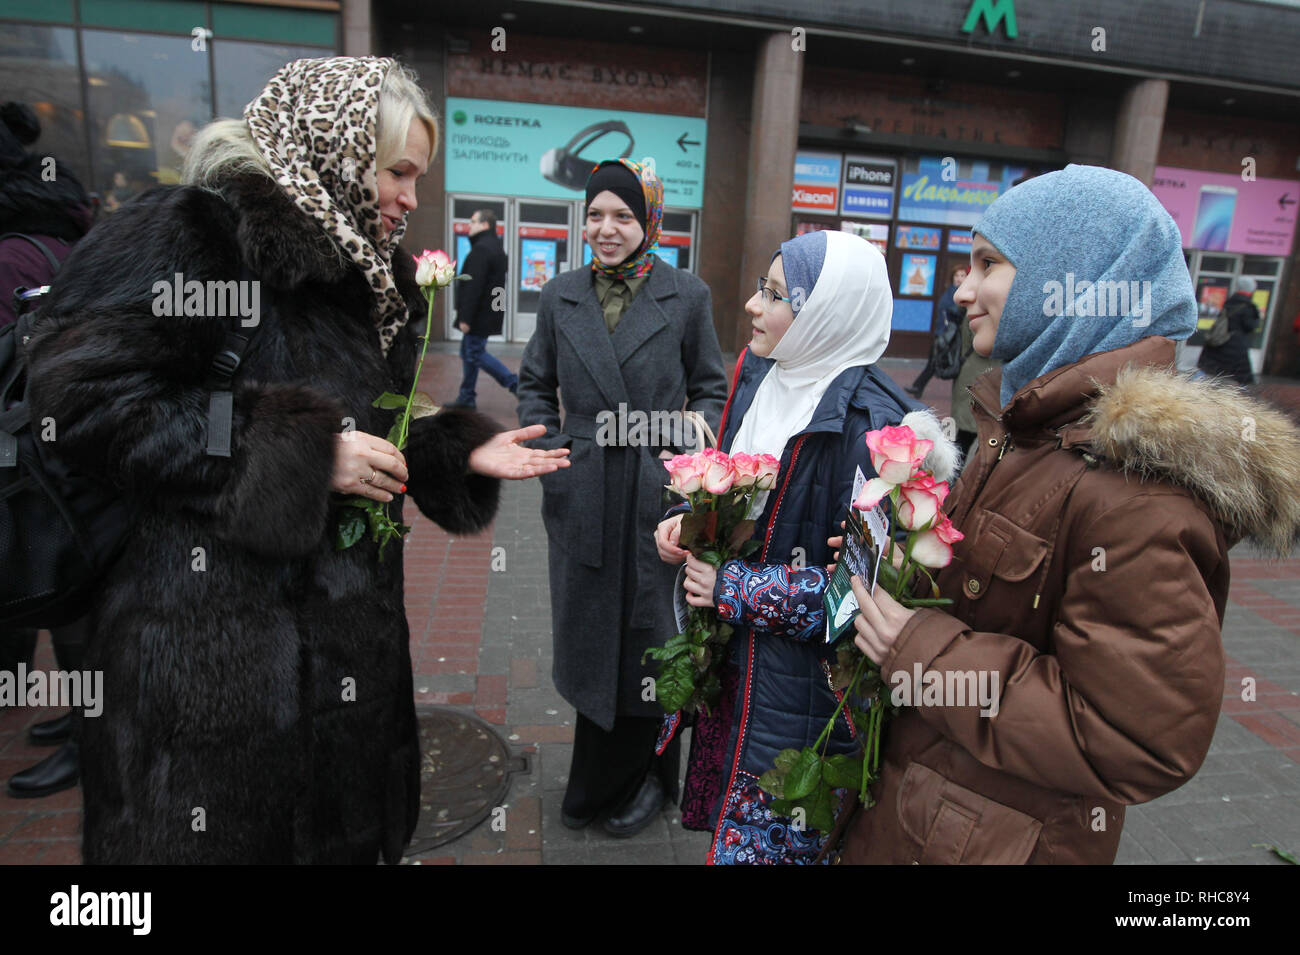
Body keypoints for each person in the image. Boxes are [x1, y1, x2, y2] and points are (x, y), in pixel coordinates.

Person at [24, 56, 568, 864]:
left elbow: (368, 430)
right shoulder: (191, 231)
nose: (411, 200)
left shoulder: (367, 275)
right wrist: (303, 454)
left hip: (349, 690)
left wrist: (455, 450)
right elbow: (81, 400)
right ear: (336, 148)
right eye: (400, 172)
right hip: (210, 689)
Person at [836, 164, 1300, 865]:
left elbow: (1136, 734)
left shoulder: (1137, 488)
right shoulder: (1024, 420)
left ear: (1074, 278)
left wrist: (918, 653)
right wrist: (900, 558)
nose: (961, 289)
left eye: (988, 263)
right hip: (931, 810)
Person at [653, 230, 956, 864]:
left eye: (775, 295)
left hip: (805, 712)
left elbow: (864, 597)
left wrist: (733, 589)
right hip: (740, 683)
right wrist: (688, 522)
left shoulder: (876, 431)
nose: (752, 308)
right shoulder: (768, 379)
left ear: (827, 311)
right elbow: (734, 489)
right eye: (761, 290)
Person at [517, 158, 727, 837]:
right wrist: (557, 460)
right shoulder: (559, 294)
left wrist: (684, 461)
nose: (607, 229)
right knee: (591, 638)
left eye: (624, 216)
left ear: (650, 221)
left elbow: (709, 389)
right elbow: (531, 384)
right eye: (596, 214)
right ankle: (596, 777)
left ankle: (651, 780)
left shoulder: (687, 294)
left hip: (654, 498)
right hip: (585, 496)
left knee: (651, 640)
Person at [0, 100, 97, 800]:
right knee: (74, 612)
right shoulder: (71, 251)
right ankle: (81, 726)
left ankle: (91, 738)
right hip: (66, 464)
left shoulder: (14, 259)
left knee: (75, 611)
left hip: (54, 466)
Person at [450, 208, 516, 408]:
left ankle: (515, 384)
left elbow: (473, 286)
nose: (469, 225)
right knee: (468, 352)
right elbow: (497, 288)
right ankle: (466, 397)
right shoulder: (495, 247)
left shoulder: (482, 250)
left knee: (475, 353)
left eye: (473, 221)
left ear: (485, 225)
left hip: (478, 315)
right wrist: (497, 313)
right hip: (486, 313)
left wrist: (465, 318)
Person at [906, 265, 967, 398]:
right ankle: (918, 386)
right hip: (945, 333)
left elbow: (958, 312)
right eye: (957, 276)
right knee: (935, 360)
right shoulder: (950, 291)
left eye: (962, 276)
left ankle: (918, 386)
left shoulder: (963, 292)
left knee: (945, 362)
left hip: (953, 336)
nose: (959, 279)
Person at [1197, 276, 1261, 386]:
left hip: (1221, 341)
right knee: (1240, 375)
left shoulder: (1230, 301)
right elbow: (1249, 326)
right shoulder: (1248, 307)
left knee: (1210, 368)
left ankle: (1196, 384)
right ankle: (1239, 396)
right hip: (1236, 345)